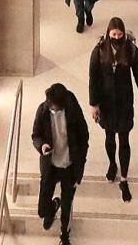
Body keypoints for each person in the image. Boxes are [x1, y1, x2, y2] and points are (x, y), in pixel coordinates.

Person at [87, 17, 138, 202]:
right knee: (109, 137)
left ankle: (123, 178)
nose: (116, 37)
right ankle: (112, 164)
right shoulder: (99, 50)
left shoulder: (131, 50)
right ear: (108, 33)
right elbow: (93, 79)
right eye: (113, 34)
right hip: (106, 103)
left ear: (123, 34)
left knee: (124, 139)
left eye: (119, 34)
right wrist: (94, 104)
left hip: (124, 102)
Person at [32, 82, 89, 245]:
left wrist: (81, 164)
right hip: (50, 165)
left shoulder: (72, 111)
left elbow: (84, 136)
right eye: (51, 106)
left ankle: (65, 235)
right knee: (42, 209)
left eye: (55, 107)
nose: (53, 109)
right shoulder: (43, 110)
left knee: (67, 203)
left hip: (69, 166)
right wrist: (41, 145)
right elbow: (35, 135)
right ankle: (52, 206)